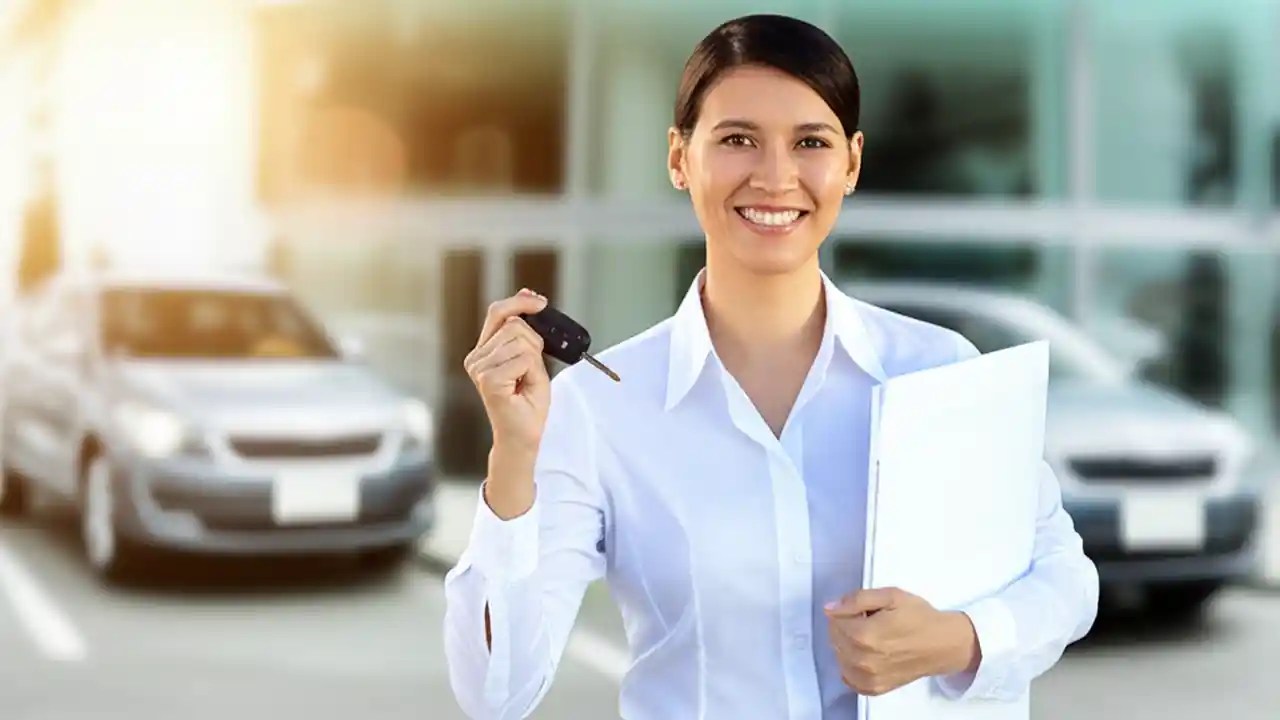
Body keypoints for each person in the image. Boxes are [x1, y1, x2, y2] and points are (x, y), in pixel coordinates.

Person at [443, 13, 1098, 719]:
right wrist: (513, 455)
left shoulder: (940, 373)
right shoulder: (602, 407)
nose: (775, 176)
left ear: (850, 162)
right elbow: (496, 694)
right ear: (678, 157)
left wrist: (959, 639)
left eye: (809, 142)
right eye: (737, 140)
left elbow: (1063, 577)